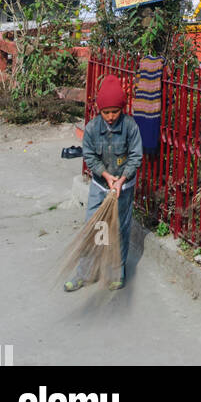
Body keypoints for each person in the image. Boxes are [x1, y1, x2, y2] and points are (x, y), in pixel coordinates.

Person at [64, 74, 143, 292]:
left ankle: (116, 272)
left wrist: (121, 179)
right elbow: (89, 156)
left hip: (123, 189)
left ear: (122, 109)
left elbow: (136, 156)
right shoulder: (91, 129)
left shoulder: (130, 127)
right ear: (99, 111)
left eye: (114, 112)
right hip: (100, 186)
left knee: (119, 229)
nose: (110, 117)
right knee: (96, 228)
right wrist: (106, 176)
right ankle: (86, 272)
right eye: (105, 112)